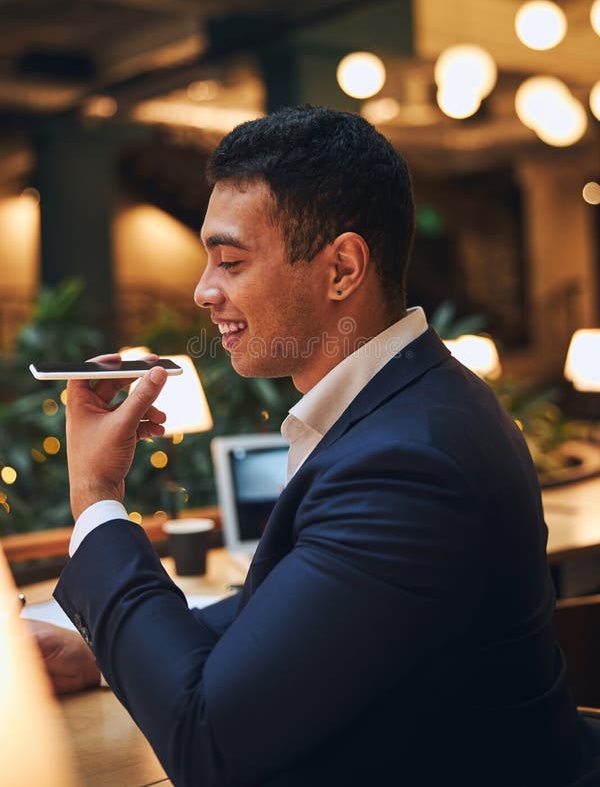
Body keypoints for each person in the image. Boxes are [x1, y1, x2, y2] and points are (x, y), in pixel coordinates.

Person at [31, 106, 584, 786]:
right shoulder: (412, 402)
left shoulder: (410, 462)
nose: (204, 291)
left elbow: (204, 741)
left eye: (231, 261)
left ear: (343, 269)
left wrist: (95, 497)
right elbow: (296, 612)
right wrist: (102, 654)